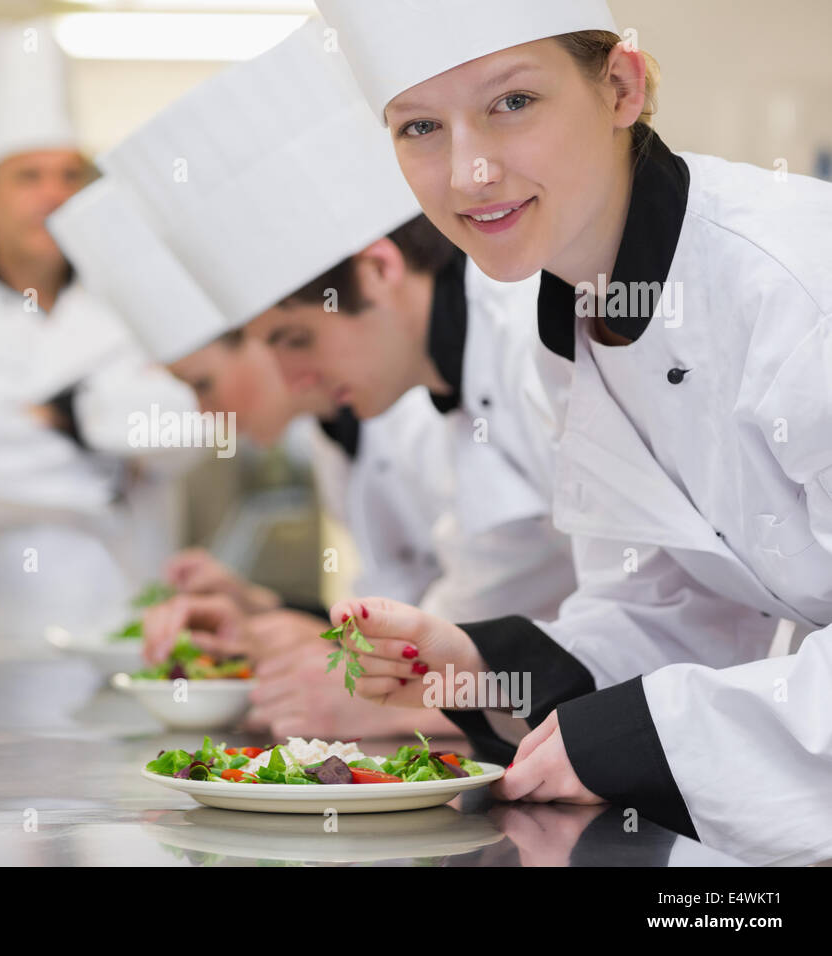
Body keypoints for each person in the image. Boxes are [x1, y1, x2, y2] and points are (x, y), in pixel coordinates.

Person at [316, 0, 832, 864]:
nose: (469, 172)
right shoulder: (567, 335)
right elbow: (677, 607)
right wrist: (488, 665)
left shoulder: (795, 286)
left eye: (512, 103)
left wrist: (650, 734)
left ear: (623, 86)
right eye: (419, 127)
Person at [49, 176, 458, 740]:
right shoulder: (333, 436)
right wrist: (262, 611)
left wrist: (368, 684)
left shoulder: (424, 405)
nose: (204, 411)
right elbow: (410, 615)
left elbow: (508, 634)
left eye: (204, 383)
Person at [0, 20, 196, 651]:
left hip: (131, 639)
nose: (52, 195)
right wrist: (112, 467)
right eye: (28, 176)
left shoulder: (140, 311)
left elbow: (190, 429)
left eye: (70, 175)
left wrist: (56, 420)